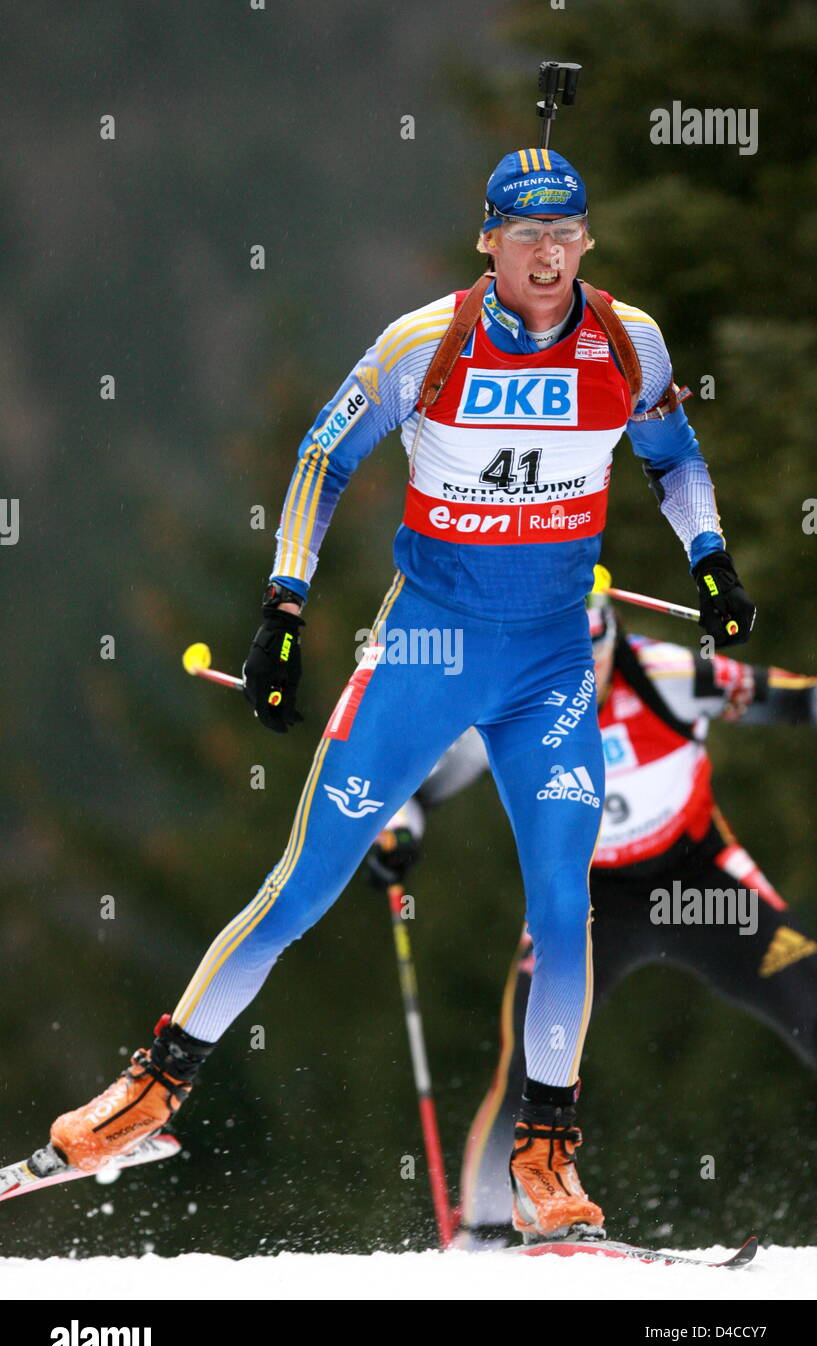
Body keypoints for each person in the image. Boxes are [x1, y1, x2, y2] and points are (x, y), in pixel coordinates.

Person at [47, 147, 756, 1243]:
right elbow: (322, 458)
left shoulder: (630, 340)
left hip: (553, 666)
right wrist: (283, 607)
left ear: (587, 241)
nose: (546, 254)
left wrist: (710, 559)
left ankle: (546, 1160)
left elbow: (672, 455)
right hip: (425, 651)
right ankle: (152, 1093)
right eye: (525, 235)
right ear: (489, 241)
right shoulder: (423, 345)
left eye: (564, 234)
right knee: (302, 886)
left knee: (565, 905)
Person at [368, 587, 817, 1245]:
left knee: (805, 990)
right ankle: (486, 1232)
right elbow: (409, 787)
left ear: (613, 638)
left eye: (592, 653)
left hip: (694, 885)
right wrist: (396, 835)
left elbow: (791, 698)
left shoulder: (668, 674)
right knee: (530, 1057)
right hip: (584, 901)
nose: (581, 674)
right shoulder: (506, 697)